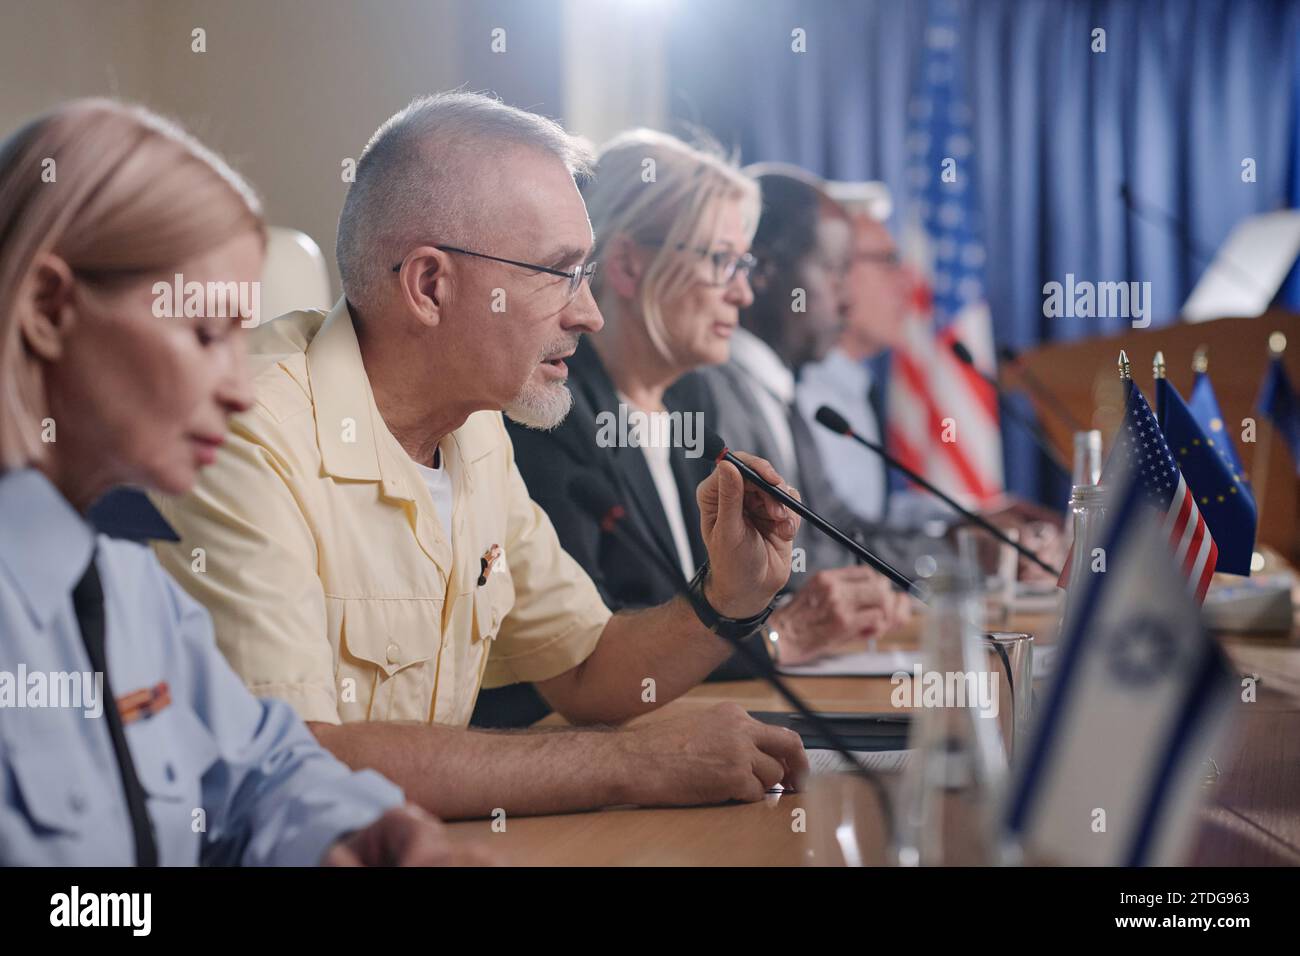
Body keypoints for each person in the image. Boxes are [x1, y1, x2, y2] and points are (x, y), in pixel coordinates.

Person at [150, 92, 809, 819]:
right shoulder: (244, 428)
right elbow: (296, 757)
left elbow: (587, 667)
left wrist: (729, 597)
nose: (587, 312)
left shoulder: (477, 428)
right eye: (560, 273)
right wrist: (633, 762)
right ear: (430, 285)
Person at [0, 99, 485, 865]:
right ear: (50, 309)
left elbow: (260, 768)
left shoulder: (128, 579)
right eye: (204, 334)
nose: (240, 388)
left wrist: (358, 827)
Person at [494, 130, 904, 717]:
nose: (741, 292)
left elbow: (698, 602)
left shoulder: (692, 398)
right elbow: (595, 649)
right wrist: (779, 637)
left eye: (744, 264)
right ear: (631, 264)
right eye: (720, 262)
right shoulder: (553, 415)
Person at [698, 165, 925, 598]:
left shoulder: (782, 390)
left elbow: (841, 533)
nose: (847, 297)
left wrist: (956, 549)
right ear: (763, 271)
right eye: (834, 271)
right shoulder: (713, 392)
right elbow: (795, 562)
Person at [795, 190, 909, 524]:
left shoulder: (855, 386)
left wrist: (968, 520)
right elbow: (828, 538)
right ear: (836, 267)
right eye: (888, 261)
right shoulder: (800, 394)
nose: (907, 282)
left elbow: (868, 520)